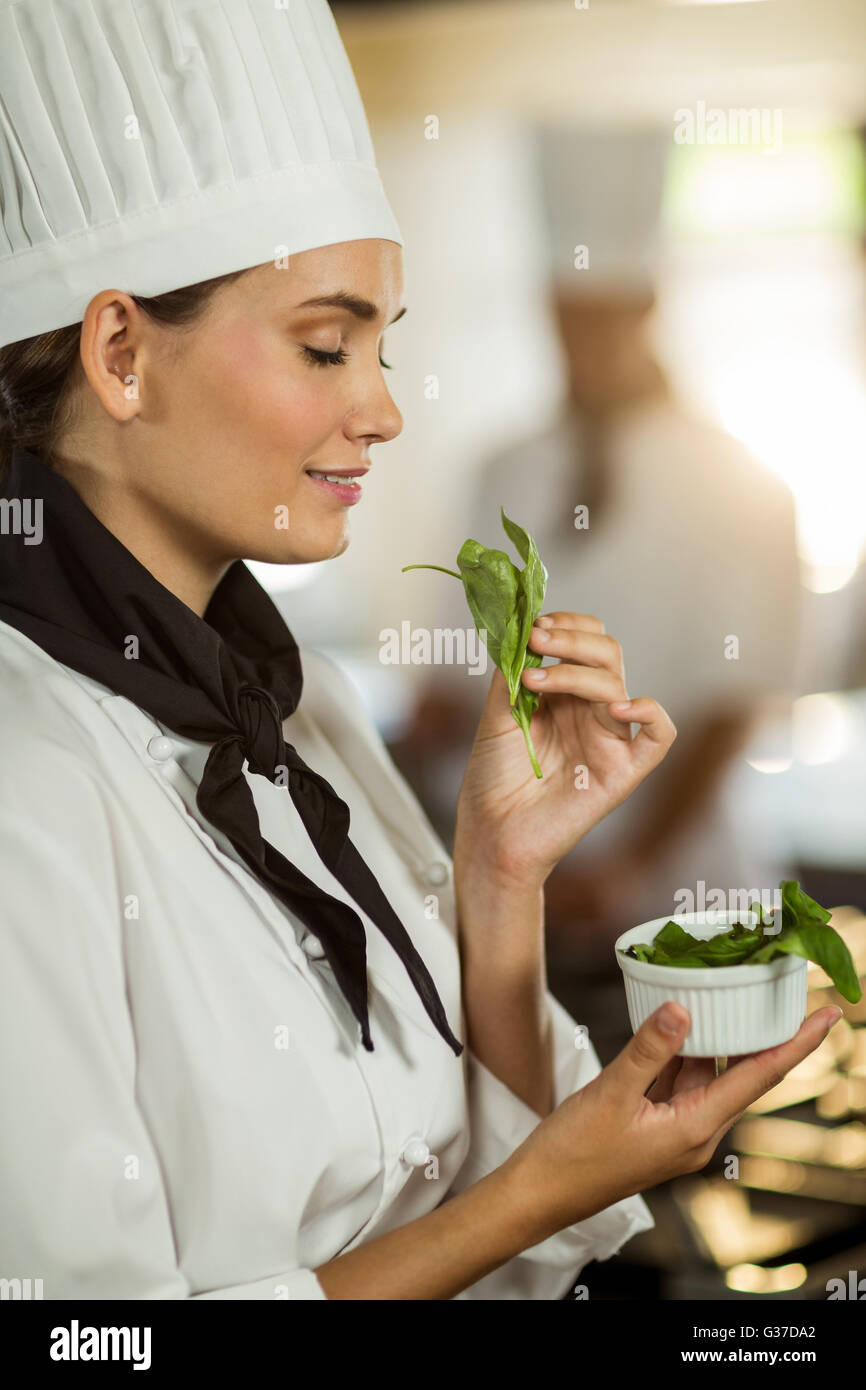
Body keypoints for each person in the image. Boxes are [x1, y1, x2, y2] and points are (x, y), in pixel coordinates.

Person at [0, 2, 838, 1302]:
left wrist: (501, 881)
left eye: (383, 347)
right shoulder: (26, 781)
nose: (385, 407)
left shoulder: (306, 704)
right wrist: (543, 1188)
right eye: (326, 343)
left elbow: (467, 1221)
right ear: (119, 352)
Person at [401, 124, 802, 958]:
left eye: (602, 314)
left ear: (649, 307)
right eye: (563, 312)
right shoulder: (500, 469)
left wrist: (630, 862)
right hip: (517, 896)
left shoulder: (739, 482)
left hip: (686, 893)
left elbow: (736, 705)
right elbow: (447, 677)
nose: (578, 338)